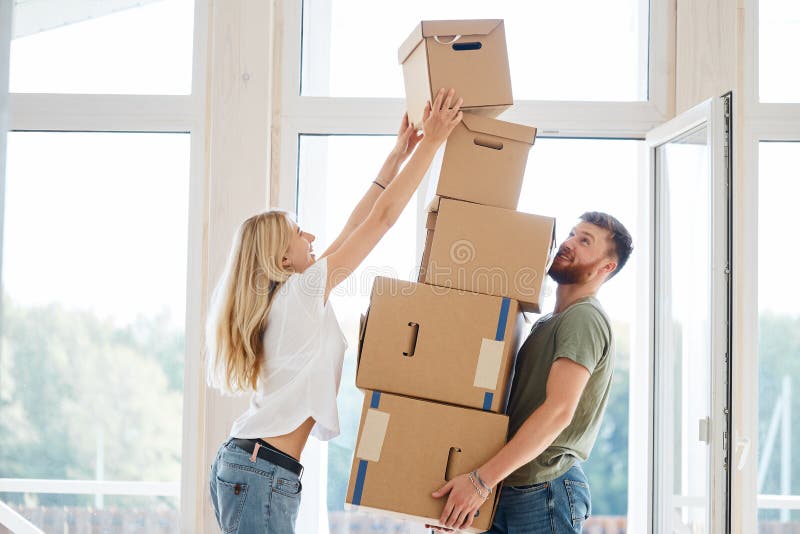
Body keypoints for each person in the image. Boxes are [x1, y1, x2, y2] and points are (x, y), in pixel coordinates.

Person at [203, 88, 462, 533]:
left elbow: (354, 226)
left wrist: (397, 155)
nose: (313, 238)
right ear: (283, 259)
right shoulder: (300, 295)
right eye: (300, 233)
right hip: (261, 471)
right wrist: (434, 142)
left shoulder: (290, 299)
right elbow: (378, 222)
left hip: (257, 467)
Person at [430, 212, 633, 533]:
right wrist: (470, 494)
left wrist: (481, 482)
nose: (568, 244)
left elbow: (559, 411)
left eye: (585, 241)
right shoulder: (545, 324)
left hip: (544, 487)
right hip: (510, 484)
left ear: (606, 267)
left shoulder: (584, 318)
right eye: (571, 234)